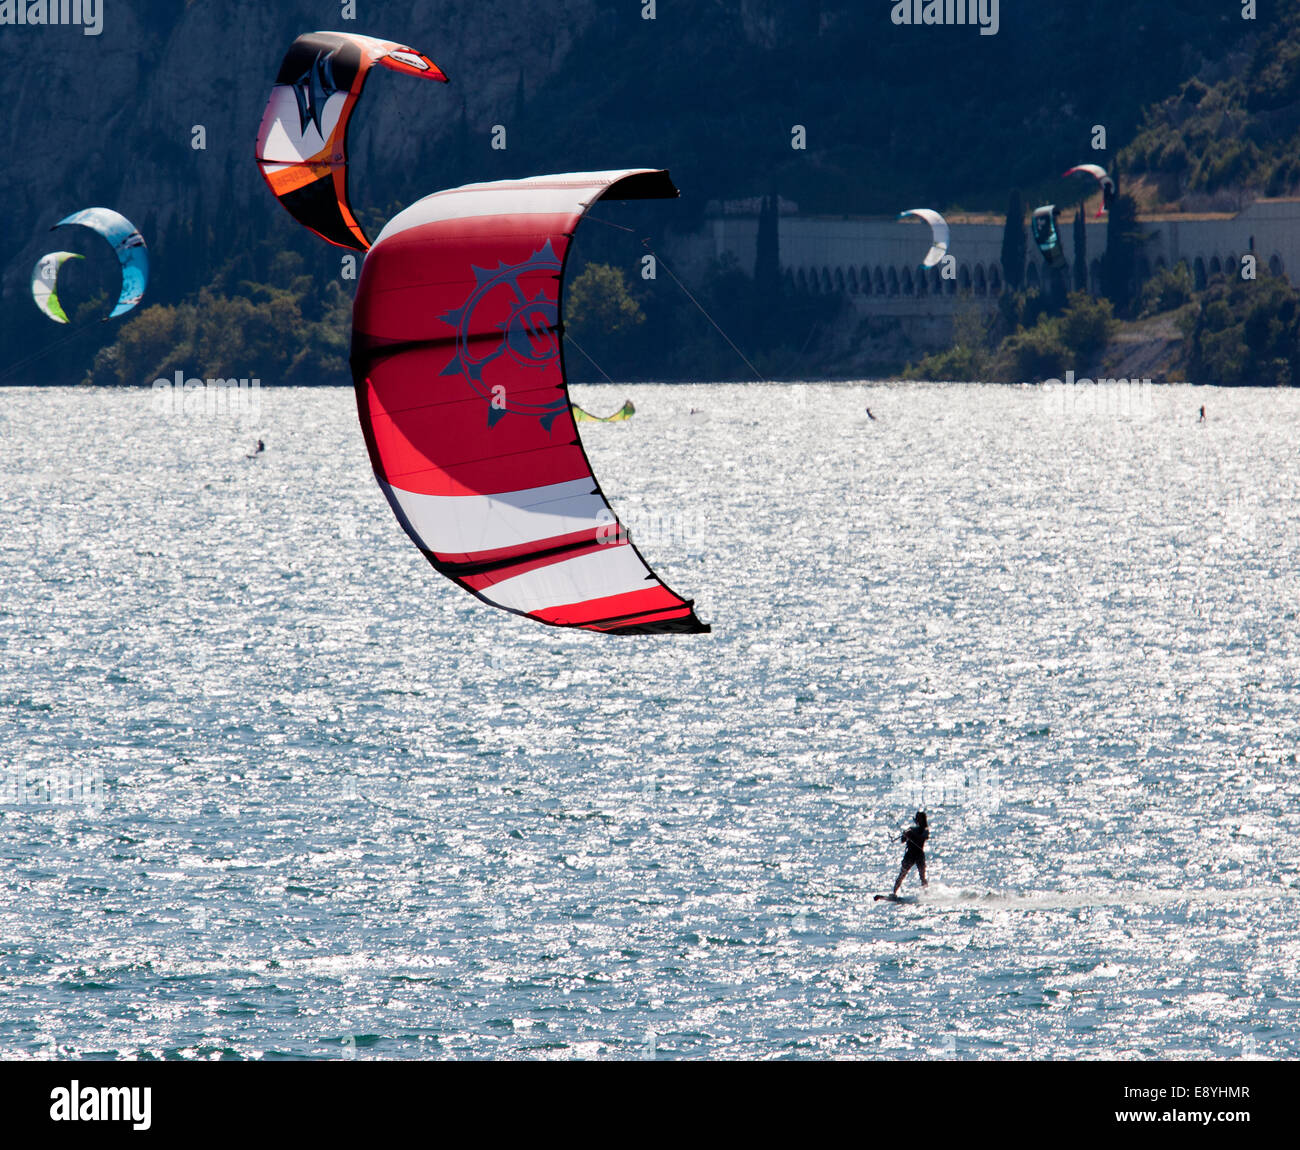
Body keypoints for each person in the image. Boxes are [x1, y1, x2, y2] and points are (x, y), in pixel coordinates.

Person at [893, 810, 929, 896]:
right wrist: (905, 835)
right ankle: (894, 893)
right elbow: (902, 840)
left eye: (920, 819)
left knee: (922, 876)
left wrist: (911, 835)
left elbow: (922, 838)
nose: (918, 820)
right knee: (902, 874)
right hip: (910, 854)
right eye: (917, 818)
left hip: (919, 855)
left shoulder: (925, 830)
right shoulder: (911, 829)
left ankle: (926, 894)